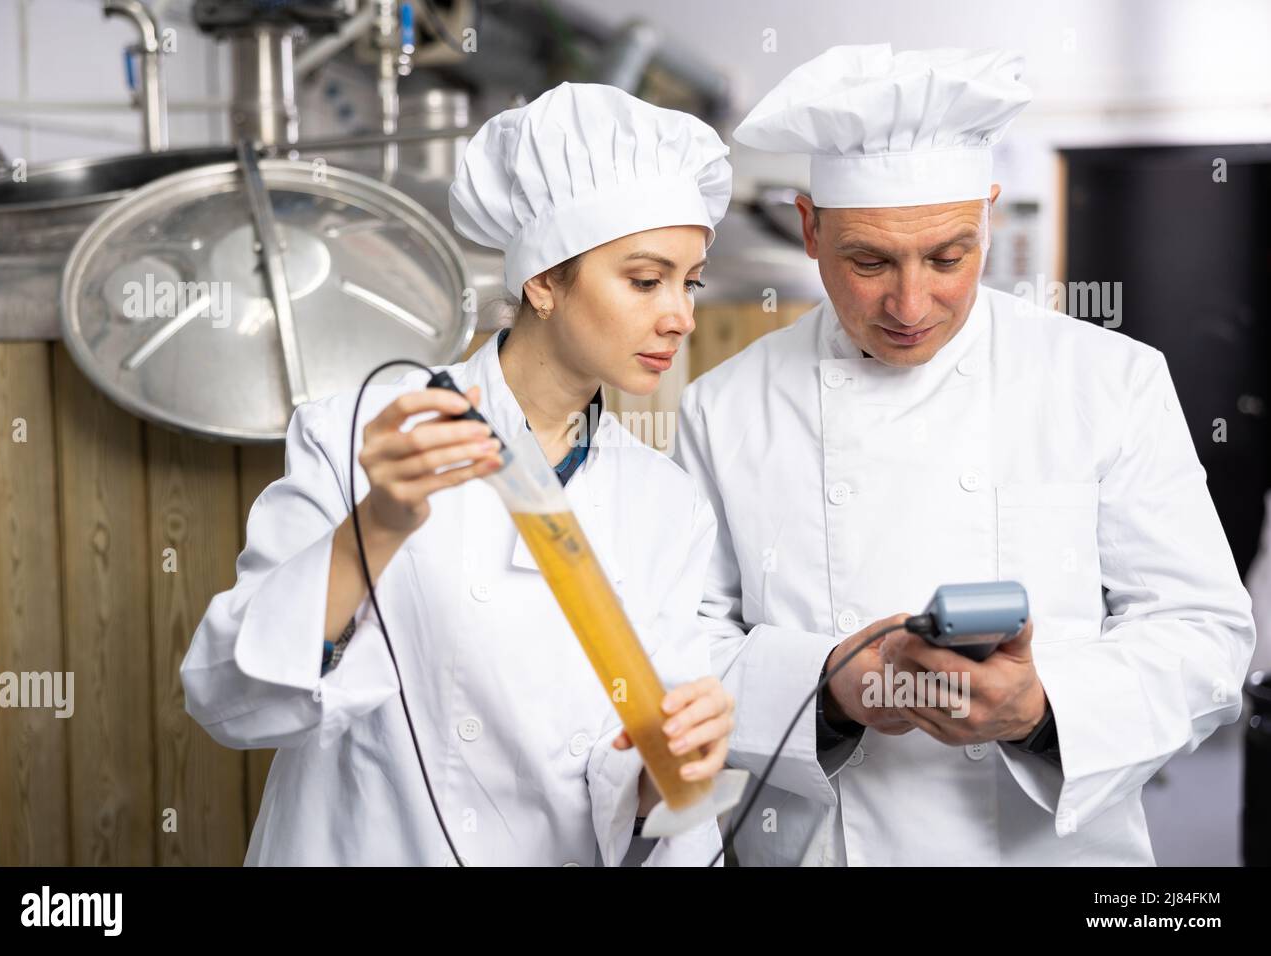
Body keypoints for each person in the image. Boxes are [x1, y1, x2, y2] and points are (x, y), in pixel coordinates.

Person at [674, 44, 1256, 865]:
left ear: (987, 213)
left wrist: (1042, 710)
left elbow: (1203, 634)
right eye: (868, 261)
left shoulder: (1108, 379)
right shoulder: (724, 407)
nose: (911, 304)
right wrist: (829, 691)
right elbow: (680, 649)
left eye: (948, 257)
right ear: (810, 227)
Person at [182, 82, 736, 866]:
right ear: (542, 280)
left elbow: (647, 784)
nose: (679, 314)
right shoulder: (361, 431)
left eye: (691, 281)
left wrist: (675, 770)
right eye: (646, 280)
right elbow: (231, 699)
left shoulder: (665, 504)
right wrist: (377, 526)